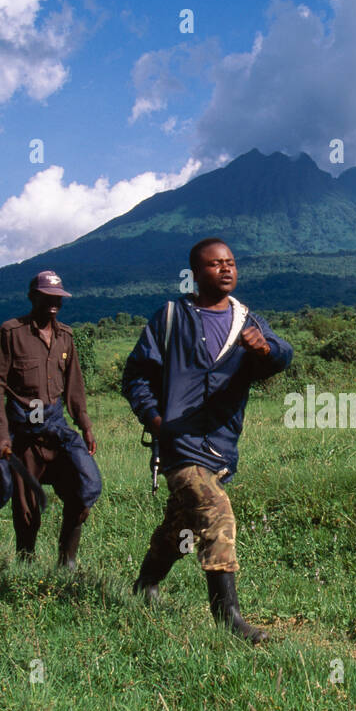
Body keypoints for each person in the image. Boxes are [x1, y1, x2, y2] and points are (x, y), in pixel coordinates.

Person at [122, 238, 293, 644]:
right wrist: (155, 418)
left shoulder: (246, 319)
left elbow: (284, 355)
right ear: (195, 274)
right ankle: (228, 618)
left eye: (231, 262)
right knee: (217, 517)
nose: (226, 269)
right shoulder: (170, 317)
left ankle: (144, 586)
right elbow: (136, 376)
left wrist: (265, 349)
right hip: (180, 445)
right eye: (216, 264)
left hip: (221, 445)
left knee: (179, 528)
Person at [0, 271, 99, 569]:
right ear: (33, 296)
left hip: (57, 428)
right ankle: (26, 563)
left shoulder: (66, 336)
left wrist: (85, 424)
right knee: (26, 508)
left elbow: (74, 385)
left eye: (58, 299)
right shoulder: (12, 332)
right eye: (47, 297)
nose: (53, 304)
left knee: (83, 487)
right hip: (23, 433)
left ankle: (67, 562)